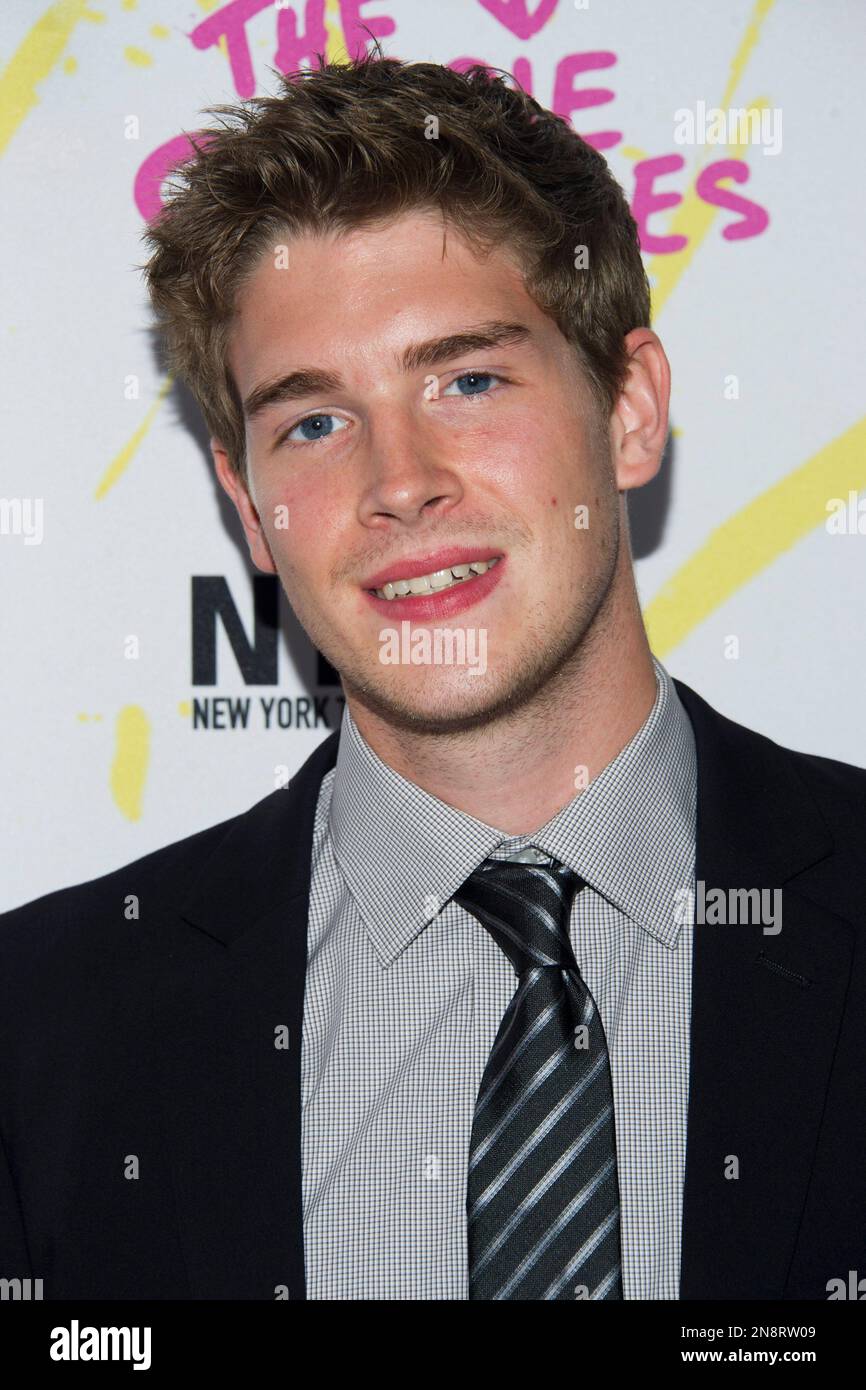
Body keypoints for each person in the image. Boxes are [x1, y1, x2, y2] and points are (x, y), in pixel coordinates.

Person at [2, 47, 865, 1303]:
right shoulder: (43, 1033)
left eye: (465, 378)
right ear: (248, 507)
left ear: (628, 406)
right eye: (313, 421)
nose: (397, 480)